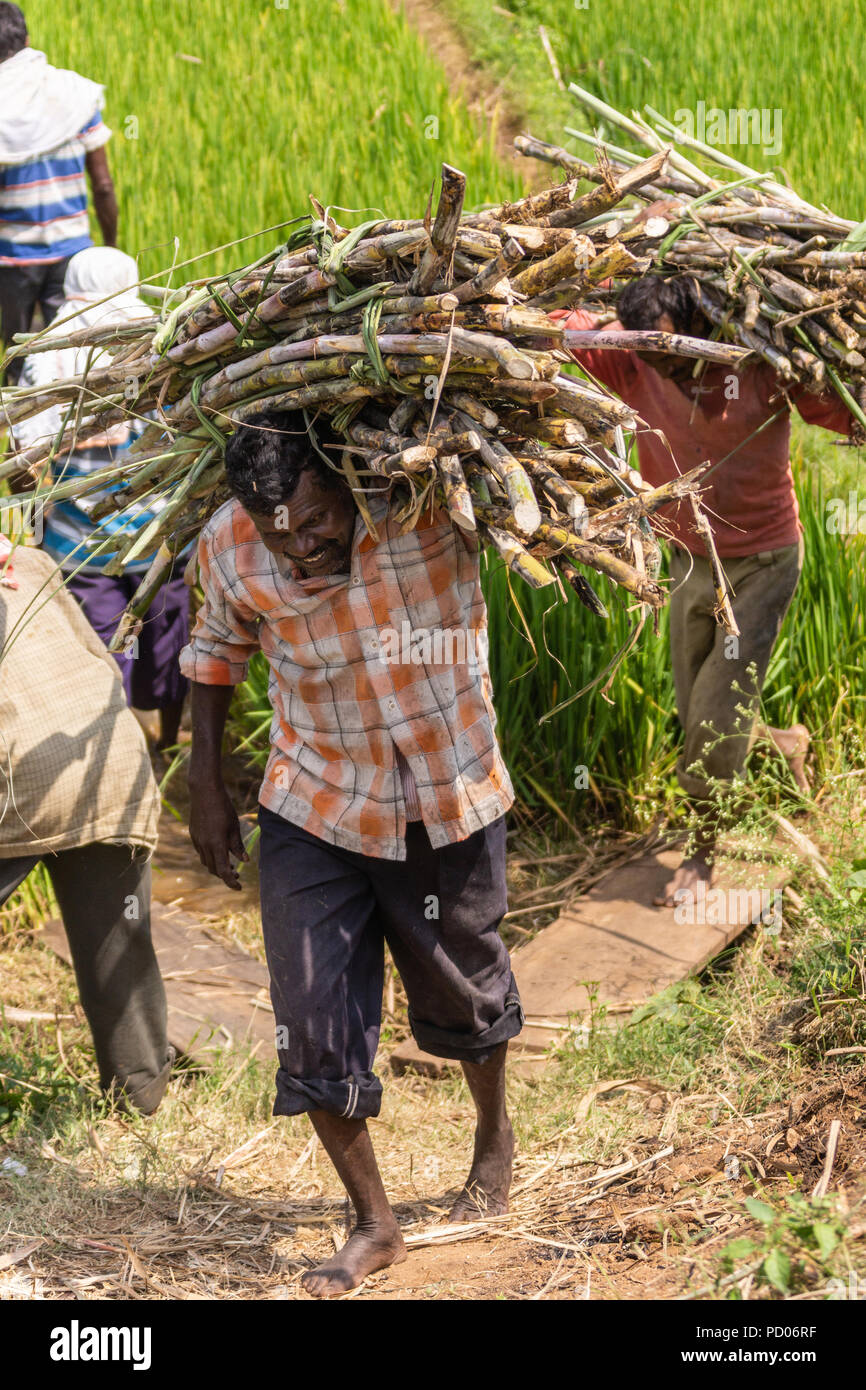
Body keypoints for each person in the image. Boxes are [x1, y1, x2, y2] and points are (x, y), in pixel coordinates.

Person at [180, 410, 523, 1297]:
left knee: (465, 985)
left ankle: (492, 1135)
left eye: (316, 518)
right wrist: (206, 781)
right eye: (277, 531)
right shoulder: (229, 546)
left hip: (445, 792)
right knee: (309, 1004)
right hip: (315, 800)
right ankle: (374, 1223)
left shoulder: (426, 505)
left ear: (342, 479)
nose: (299, 547)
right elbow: (214, 649)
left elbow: (527, 496)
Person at [555, 274, 853, 906]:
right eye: (654, 357)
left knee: (715, 720)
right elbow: (559, 329)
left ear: (702, 326)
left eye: (678, 351)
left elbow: (836, 404)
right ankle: (786, 743)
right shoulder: (631, 360)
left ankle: (704, 852)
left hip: (763, 560)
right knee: (698, 712)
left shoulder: (759, 358)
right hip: (691, 560)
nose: (671, 369)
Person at [0, 536, 172, 1113]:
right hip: (106, 761)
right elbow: (98, 660)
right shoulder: (28, 558)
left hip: (23, 777)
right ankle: (140, 1094)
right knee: (117, 938)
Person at [10, 246, 190, 752]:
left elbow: (23, 463)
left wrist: (32, 524)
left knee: (107, 652)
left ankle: (121, 758)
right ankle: (165, 746)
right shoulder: (167, 349)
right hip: (163, 539)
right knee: (171, 642)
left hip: (79, 544)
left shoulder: (49, 359)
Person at [0, 2, 117, 382]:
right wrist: (109, 247)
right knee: (71, 357)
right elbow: (102, 184)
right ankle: (70, 436)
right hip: (72, 252)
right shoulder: (74, 94)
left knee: (17, 359)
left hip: (12, 261)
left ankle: (17, 436)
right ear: (28, 40)